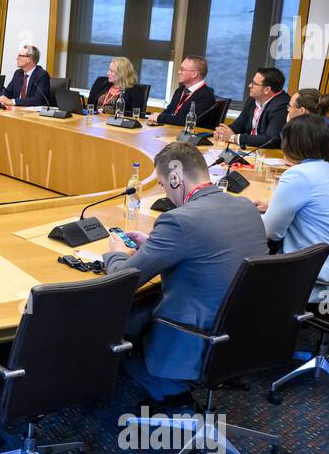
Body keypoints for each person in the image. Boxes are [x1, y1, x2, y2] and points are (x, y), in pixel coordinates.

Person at [103, 142, 269, 407]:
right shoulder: (247, 208)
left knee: (108, 322)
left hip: (197, 337)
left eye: (162, 183)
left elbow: (120, 282)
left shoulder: (179, 220)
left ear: (176, 178)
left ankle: (169, 392)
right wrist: (155, 245)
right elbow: (208, 248)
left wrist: (116, 252)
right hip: (244, 332)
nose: (164, 192)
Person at [257, 114, 329, 299]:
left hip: (324, 280)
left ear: (293, 144)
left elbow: (271, 232)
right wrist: (273, 207)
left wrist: (245, 215)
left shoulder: (299, 175)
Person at [288, 87, 329, 186]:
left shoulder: (328, 131)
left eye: (290, 106)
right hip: (315, 182)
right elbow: (291, 157)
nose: (288, 110)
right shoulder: (312, 126)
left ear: (301, 111)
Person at [213, 66, 289, 149]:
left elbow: (270, 139)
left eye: (254, 84)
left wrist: (234, 138)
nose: (249, 85)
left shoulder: (282, 106)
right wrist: (223, 132)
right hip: (250, 150)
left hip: (269, 154)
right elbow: (239, 125)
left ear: (267, 89)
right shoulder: (253, 99)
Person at [147, 55, 216, 127]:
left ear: (194, 74)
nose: (178, 72)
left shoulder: (206, 96)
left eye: (182, 70)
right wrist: (155, 119)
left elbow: (187, 121)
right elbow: (169, 111)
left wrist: (159, 117)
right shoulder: (180, 90)